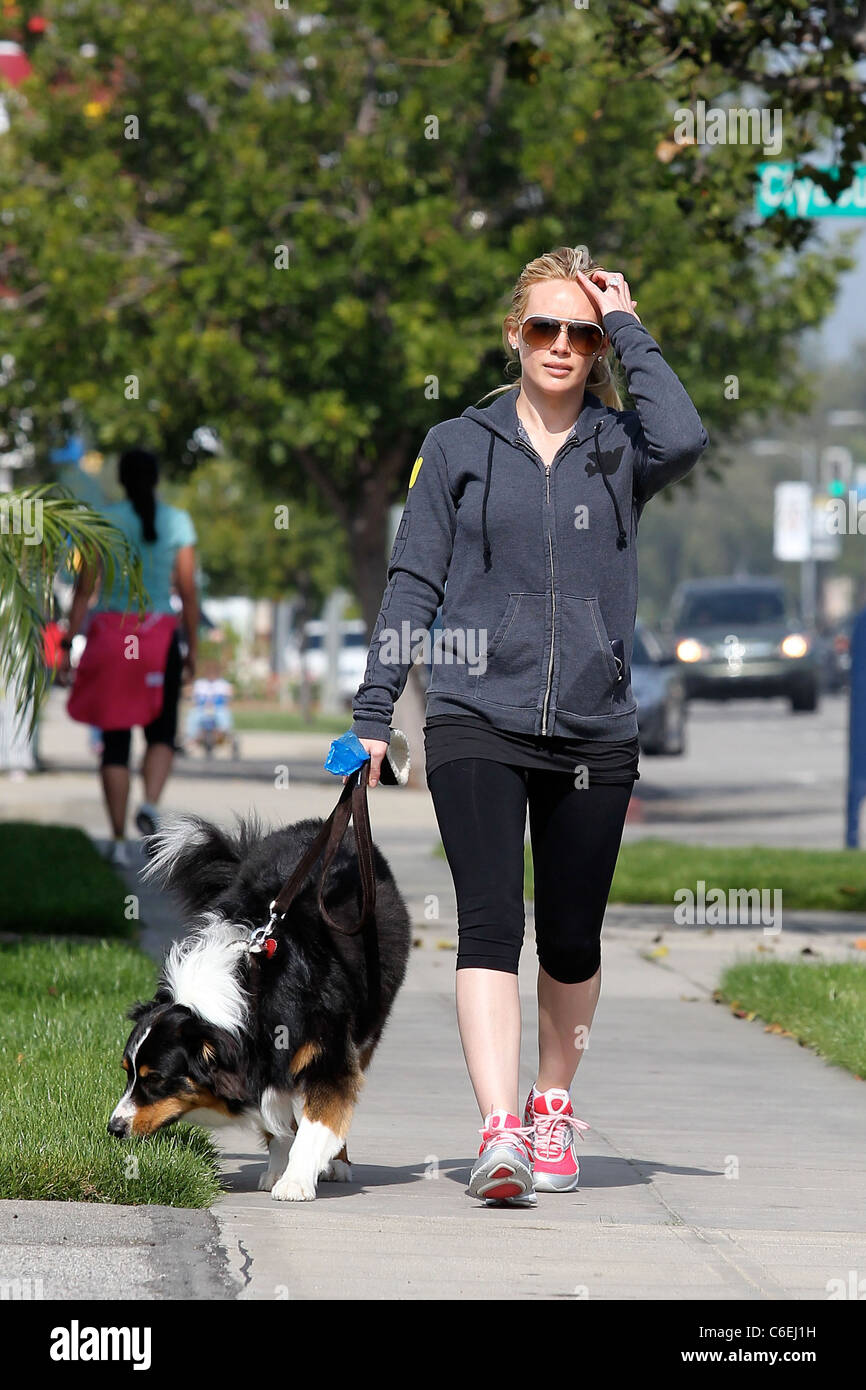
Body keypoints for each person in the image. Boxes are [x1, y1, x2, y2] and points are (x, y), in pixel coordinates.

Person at [350, 245, 709, 1207]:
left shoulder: (621, 446)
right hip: (475, 715)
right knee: (487, 924)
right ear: (515, 336)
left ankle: (553, 1102)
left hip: (594, 727)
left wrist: (630, 324)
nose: (561, 345)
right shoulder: (458, 446)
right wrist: (376, 712)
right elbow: (414, 581)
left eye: (580, 333)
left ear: (596, 347)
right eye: (545, 328)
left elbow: (688, 433)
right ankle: (499, 1130)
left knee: (573, 939)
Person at [59, 448, 198, 864]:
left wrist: (67, 644)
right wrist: (193, 647)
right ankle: (150, 805)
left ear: (120, 480)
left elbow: (84, 591)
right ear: (156, 480)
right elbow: (188, 592)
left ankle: (119, 841)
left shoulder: (102, 519)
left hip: (112, 639)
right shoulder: (178, 522)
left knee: (115, 743)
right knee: (162, 733)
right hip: (160, 639)